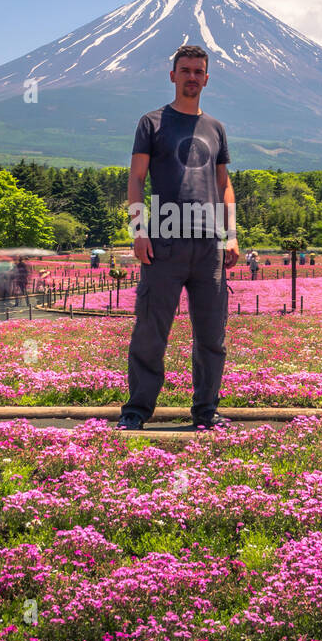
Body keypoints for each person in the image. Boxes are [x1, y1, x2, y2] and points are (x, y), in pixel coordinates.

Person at [120, 44, 237, 433]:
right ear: (173, 76)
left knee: (211, 334)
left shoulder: (217, 128)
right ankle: (136, 410)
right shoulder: (152, 123)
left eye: (198, 71)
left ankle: (206, 410)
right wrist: (138, 230)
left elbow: (224, 186)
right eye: (184, 70)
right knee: (151, 331)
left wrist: (231, 234)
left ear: (207, 77)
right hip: (164, 242)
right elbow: (136, 179)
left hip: (209, 247)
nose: (191, 77)